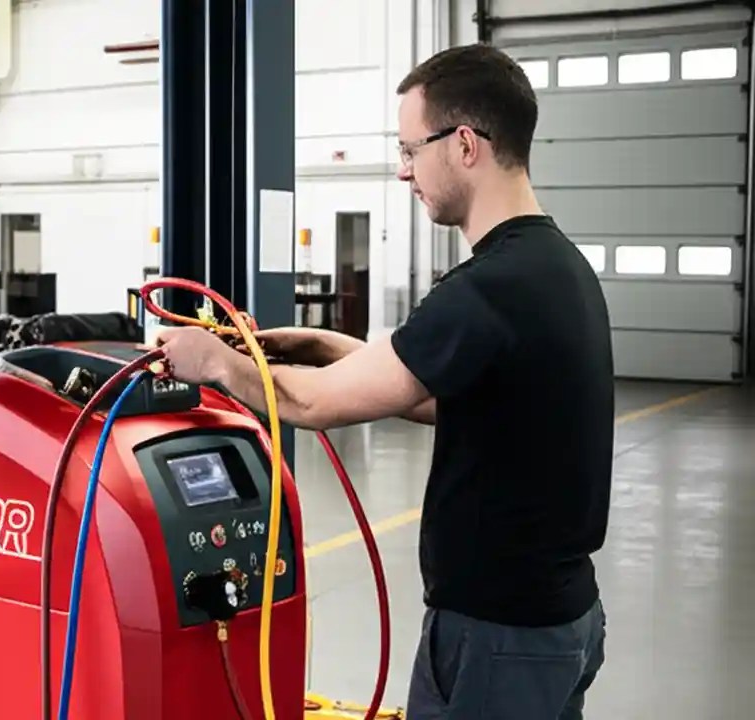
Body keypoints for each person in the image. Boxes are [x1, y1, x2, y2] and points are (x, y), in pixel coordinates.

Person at [155, 43, 612, 719]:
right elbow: (428, 385)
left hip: (498, 638)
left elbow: (311, 403)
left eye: (410, 149)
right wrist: (309, 343)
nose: (404, 171)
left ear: (463, 145)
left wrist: (215, 362)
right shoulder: (556, 268)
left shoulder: (488, 289)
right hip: (557, 621)